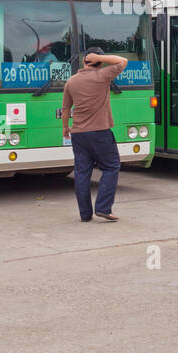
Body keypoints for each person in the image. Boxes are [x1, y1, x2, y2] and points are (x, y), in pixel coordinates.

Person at [62, 47, 128, 222]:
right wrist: (100, 57)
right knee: (111, 166)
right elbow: (123, 61)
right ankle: (103, 208)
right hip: (100, 133)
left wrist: (65, 127)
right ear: (99, 61)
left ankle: (85, 214)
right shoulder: (102, 76)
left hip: (78, 134)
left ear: (84, 60)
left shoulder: (71, 81)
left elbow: (66, 108)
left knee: (82, 172)